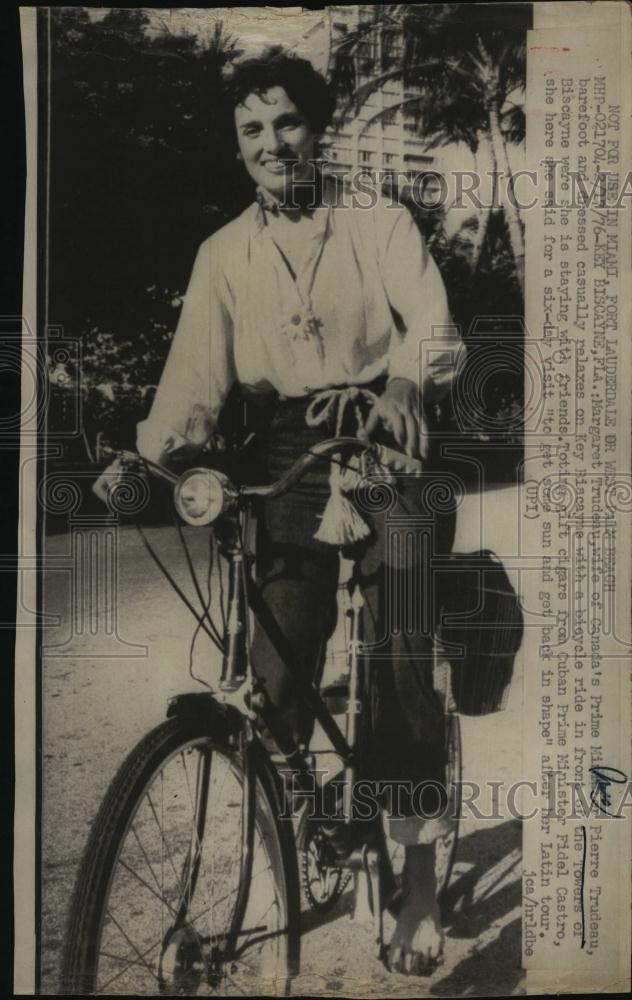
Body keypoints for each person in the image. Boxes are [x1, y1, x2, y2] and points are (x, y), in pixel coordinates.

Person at [137, 49, 465, 975]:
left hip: (382, 433)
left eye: (287, 124)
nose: (273, 144)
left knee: (402, 646)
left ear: (316, 129)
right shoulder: (223, 253)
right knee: (273, 663)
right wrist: (149, 458)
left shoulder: (376, 219)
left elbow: (433, 323)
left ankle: (422, 881)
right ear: (237, 148)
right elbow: (193, 387)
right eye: (252, 130)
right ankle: (301, 838)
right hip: (284, 448)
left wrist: (404, 381)